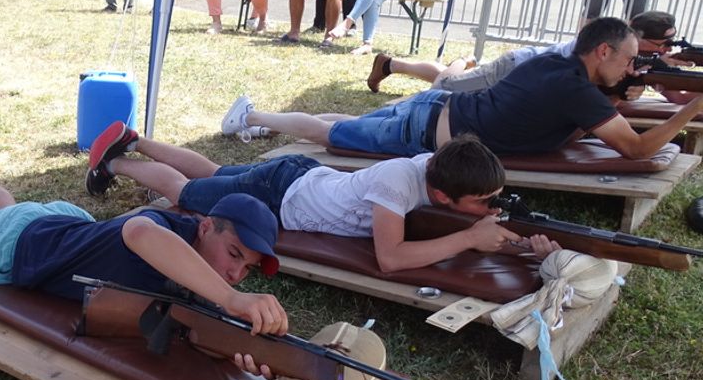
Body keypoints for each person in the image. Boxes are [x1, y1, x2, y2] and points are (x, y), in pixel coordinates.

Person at [0, 158, 289, 376]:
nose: (234, 275)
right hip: (18, 246)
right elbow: (139, 235)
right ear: (205, 227)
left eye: (247, 270)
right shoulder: (166, 228)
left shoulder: (203, 268)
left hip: (68, 228)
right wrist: (233, 298)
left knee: (7, 212)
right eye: (233, 255)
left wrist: (237, 352)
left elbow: (193, 327)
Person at [86, 123, 558, 273]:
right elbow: (390, 258)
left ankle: (137, 138)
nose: (491, 208)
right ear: (441, 193)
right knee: (188, 193)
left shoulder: (439, 167)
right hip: (280, 194)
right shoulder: (397, 182)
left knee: (214, 171)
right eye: (483, 201)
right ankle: (113, 163)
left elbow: (465, 221)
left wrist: (518, 244)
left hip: (298, 177)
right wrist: (469, 237)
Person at [222, 18, 703, 161]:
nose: (628, 68)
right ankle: (253, 118)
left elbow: (564, 126)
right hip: (430, 131)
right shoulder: (576, 89)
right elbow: (637, 149)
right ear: (601, 52)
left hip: (439, 108)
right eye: (625, 59)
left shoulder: (557, 66)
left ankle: (256, 119)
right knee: (335, 135)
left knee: (346, 125)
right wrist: (693, 109)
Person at [368, 11, 681, 95]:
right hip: (514, 70)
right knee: (443, 88)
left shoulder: (619, 46)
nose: (666, 50)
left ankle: (391, 65)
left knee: (454, 85)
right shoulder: (611, 49)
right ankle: (458, 61)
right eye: (662, 44)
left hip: (522, 75)